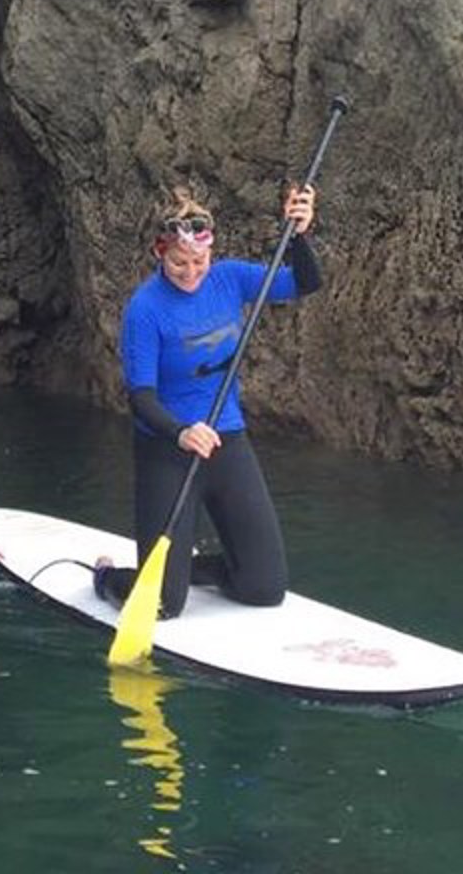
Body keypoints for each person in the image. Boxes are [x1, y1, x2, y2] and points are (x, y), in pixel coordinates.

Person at [94, 180, 320, 616]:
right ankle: (110, 577)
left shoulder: (229, 279)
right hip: (167, 450)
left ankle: (188, 569)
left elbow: (306, 283)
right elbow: (140, 397)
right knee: (163, 605)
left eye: (199, 260)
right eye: (180, 262)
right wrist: (180, 433)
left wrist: (300, 235)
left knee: (264, 588)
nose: (191, 271)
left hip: (225, 440)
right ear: (160, 253)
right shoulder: (145, 309)